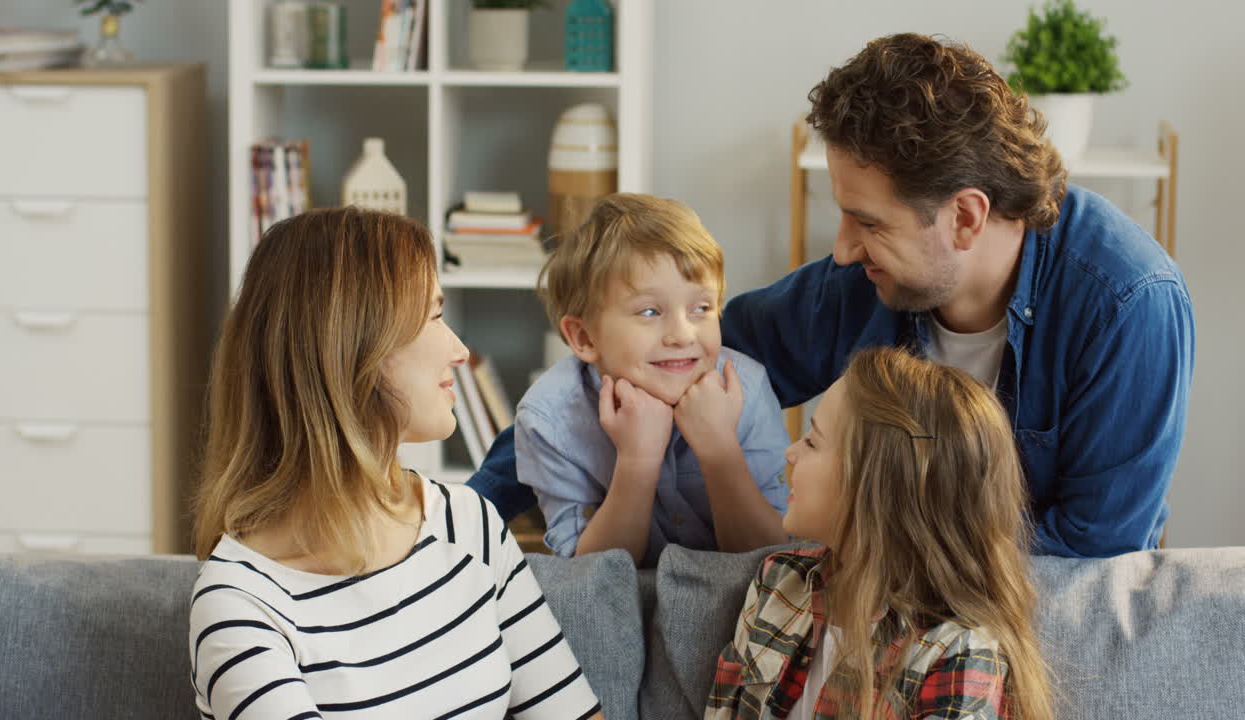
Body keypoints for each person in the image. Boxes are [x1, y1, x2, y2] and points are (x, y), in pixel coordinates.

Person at [472, 33, 1195, 559]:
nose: (843, 248)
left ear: (967, 216)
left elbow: (1092, 560)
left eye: (868, 222)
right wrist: (460, 519)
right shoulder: (863, 282)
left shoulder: (1129, 304)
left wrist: (875, 568)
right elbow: (653, 365)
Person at [188, 208, 602, 720]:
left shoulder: (468, 523)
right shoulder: (242, 604)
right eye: (432, 316)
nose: (458, 348)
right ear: (352, 348)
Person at [706, 347, 1054, 720]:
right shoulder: (779, 579)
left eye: (812, 441)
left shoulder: (959, 653)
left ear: (878, 486)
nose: (791, 453)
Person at [515, 193, 791, 568]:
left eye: (701, 308)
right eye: (649, 311)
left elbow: (772, 563)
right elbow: (588, 580)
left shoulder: (747, 388)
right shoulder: (548, 417)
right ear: (584, 338)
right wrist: (637, 460)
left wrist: (719, 450)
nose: (682, 335)